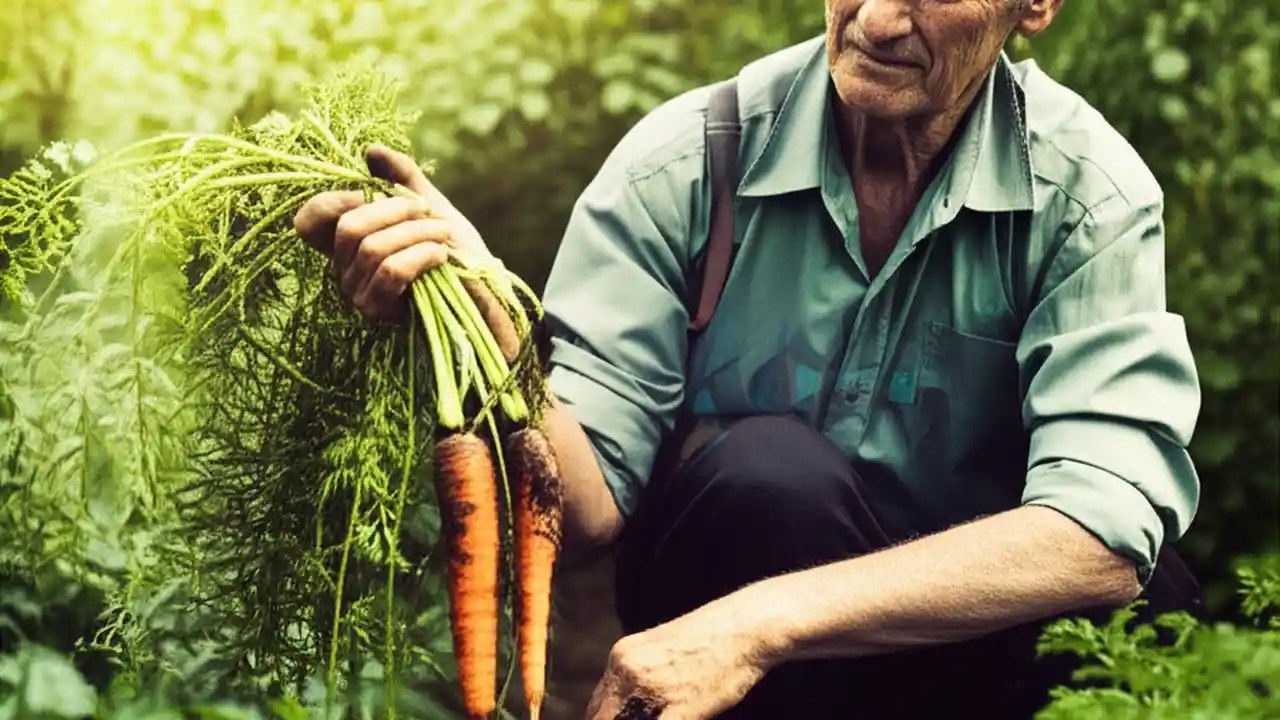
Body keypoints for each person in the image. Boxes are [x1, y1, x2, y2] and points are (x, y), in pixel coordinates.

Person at [293, 0, 1204, 717]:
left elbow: (1104, 533)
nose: (881, 20)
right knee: (772, 480)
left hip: (968, 655)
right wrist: (479, 311)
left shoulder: (1087, 197)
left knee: (1157, 605)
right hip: (756, 681)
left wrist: (755, 627)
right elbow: (583, 508)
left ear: (1034, 5)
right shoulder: (689, 165)